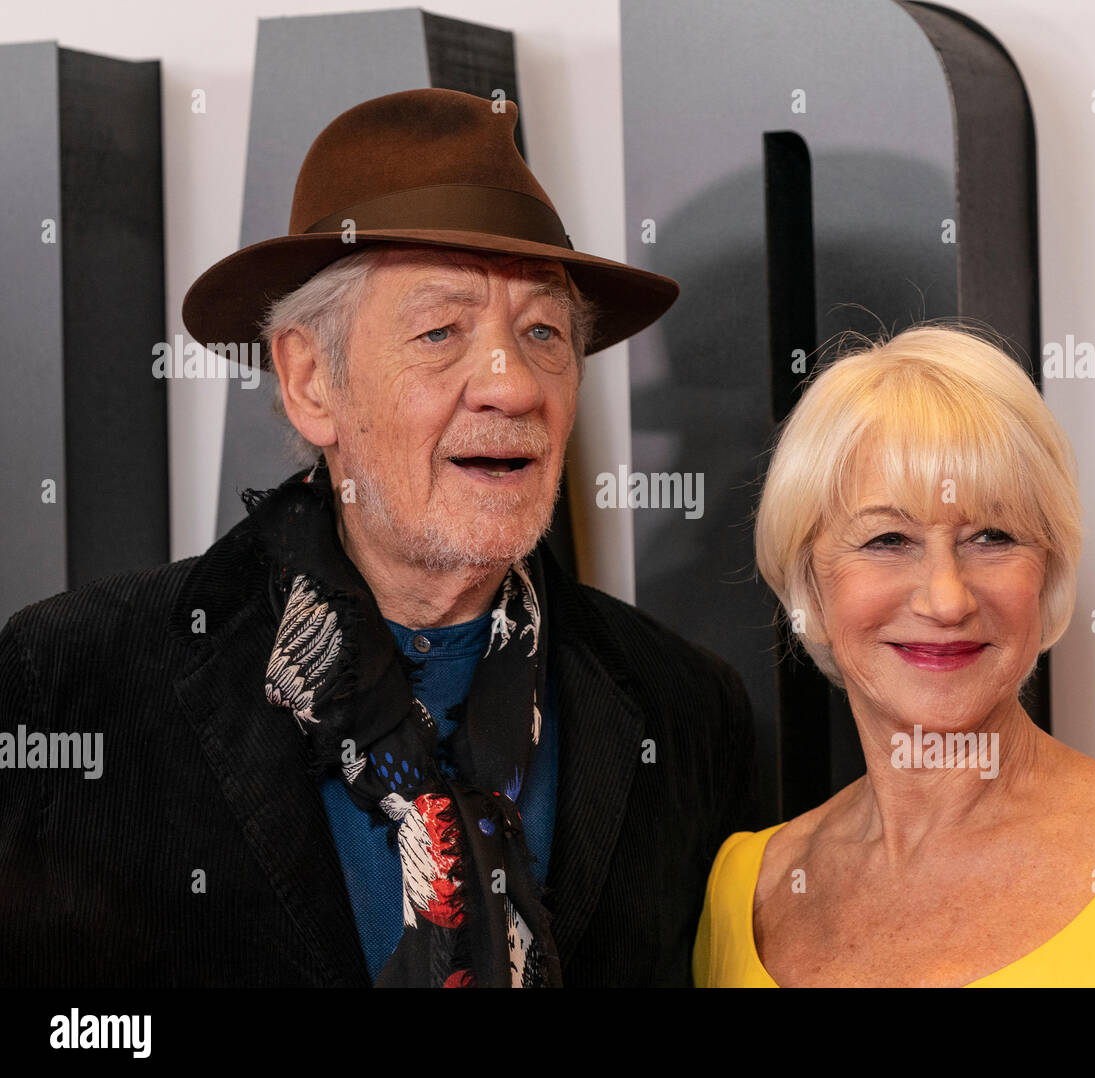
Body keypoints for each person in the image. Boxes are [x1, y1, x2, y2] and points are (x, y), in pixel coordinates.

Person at [0, 88, 756, 988]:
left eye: (543, 331)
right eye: (442, 331)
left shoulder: (682, 707)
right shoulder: (73, 681)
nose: (512, 387)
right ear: (311, 381)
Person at [693, 325, 1095, 987]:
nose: (947, 600)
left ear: (1048, 571)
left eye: (993, 535)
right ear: (809, 581)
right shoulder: (743, 890)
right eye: (889, 539)